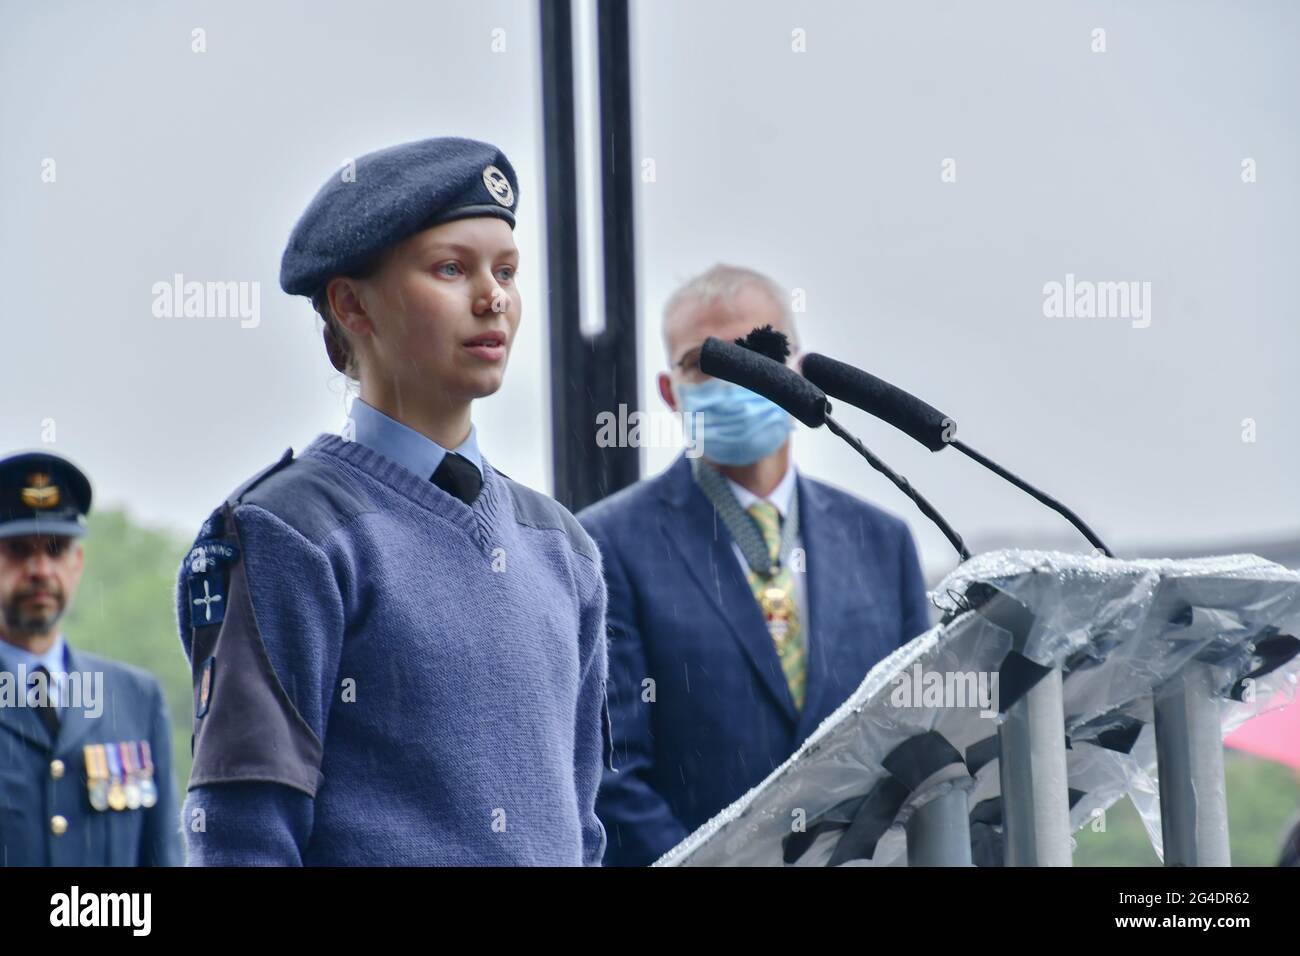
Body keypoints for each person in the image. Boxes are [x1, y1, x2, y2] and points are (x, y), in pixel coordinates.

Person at [174, 136, 609, 866]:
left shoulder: (562, 547)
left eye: (506, 271)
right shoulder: (287, 533)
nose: (492, 296)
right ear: (350, 305)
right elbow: (244, 835)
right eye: (451, 268)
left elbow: (584, 830)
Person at [578, 264, 931, 866]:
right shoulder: (607, 545)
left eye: (758, 353)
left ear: (798, 368)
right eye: (704, 362)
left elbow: (921, 741)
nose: (737, 377)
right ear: (670, 392)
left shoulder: (882, 541)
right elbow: (614, 777)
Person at [0, 451, 180, 866]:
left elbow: (161, 856)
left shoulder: (135, 698)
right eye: (18, 550)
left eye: (56, 548)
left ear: (77, 562)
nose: (40, 569)